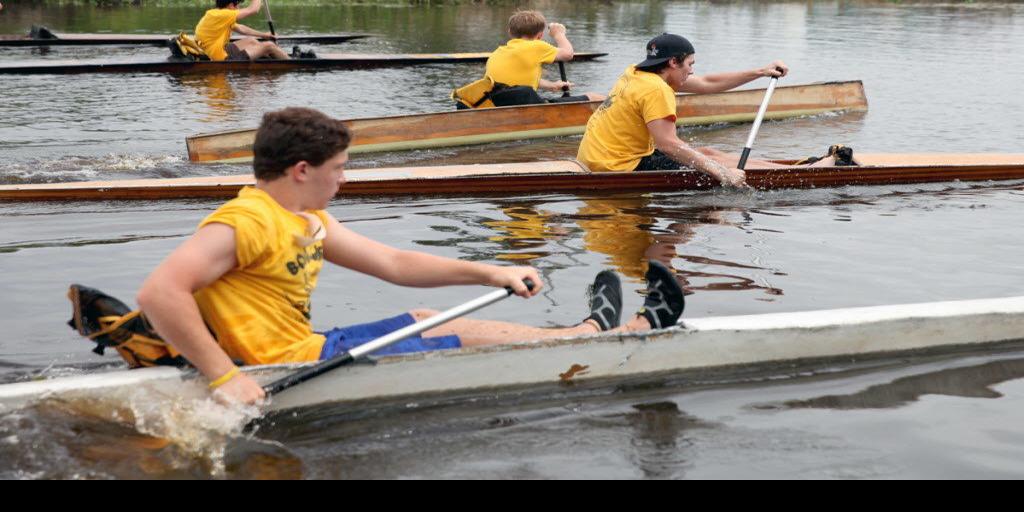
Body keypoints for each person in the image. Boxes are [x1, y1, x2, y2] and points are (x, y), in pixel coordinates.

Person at [136, 107, 687, 405]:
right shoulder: (247, 219)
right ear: (302, 171)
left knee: (422, 319)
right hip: (280, 368)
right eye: (339, 170)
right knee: (423, 325)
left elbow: (395, 265)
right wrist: (221, 377)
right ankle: (608, 335)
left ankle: (588, 329)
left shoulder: (307, 219)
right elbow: (160, 292)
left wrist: (488, 270)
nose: (344, 180)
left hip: (301, 348)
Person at [578, 33, 842, 189]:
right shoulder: (655, 90)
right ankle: (801, 175)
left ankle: (794, 168)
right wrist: (722, 174)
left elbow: (707, 83)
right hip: (616, 167)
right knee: (714, 162)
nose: (692, 70)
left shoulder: (637, 72)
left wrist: (761, 72)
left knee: (707, 153)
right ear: (672, 62)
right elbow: (668, 144)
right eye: (690, 64)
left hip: (597, 156)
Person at [453, 10, 604, 109]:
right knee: (595, 97)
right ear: (539, 36)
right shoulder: (536, 46)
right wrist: (559, 34)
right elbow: (567, 54)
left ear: (510, 32)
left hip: (498, 104)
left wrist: (552, 85)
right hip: (520, 106)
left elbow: (511, 82)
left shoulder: (498, 52)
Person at [194, 0, 289, 62]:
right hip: (220, 58)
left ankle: (270, 56)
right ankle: (291, 62)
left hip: (216, 50)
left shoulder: (215, 14)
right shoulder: (224, 14)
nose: (238, 8)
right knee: (269, 46)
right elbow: (253, 10)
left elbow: (240, 28)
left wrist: (264, 35)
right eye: (238, 5)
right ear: (231, 5)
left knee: (251, 41)